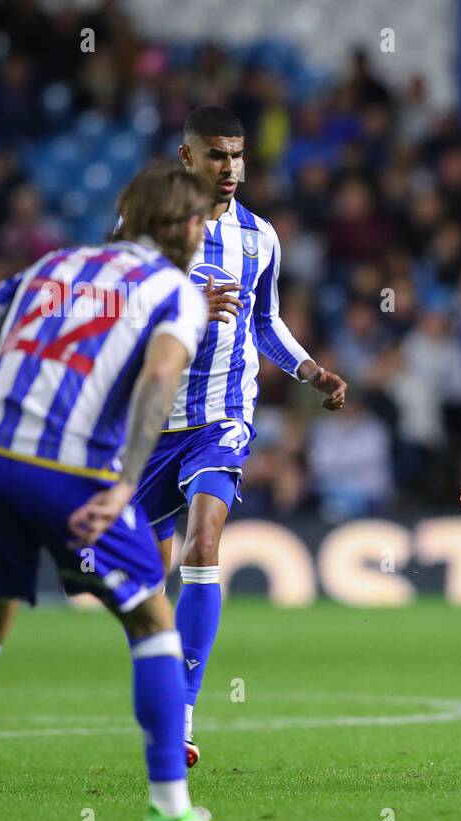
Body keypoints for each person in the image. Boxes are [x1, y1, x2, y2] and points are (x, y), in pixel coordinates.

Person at [0, 162, 241, 821]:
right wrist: (124, 485)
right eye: (200, 219)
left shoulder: (50, 266)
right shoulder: (173, 291)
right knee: (153, 621)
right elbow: (155, 385)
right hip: (69, 469)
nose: (206, 229)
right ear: (178, 228)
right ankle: (171, 814)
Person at [130, 107, 347, 768]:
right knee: (143, 581)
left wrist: (309, 370)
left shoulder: (260, 239)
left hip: (222, 414)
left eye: (237, 155)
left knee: (203, 543)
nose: (229, 168)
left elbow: (266, 322)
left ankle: (184, 712)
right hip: (150, 424)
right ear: (187, 157)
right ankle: (161, 688)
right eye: (216, 155)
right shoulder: (148, 231)